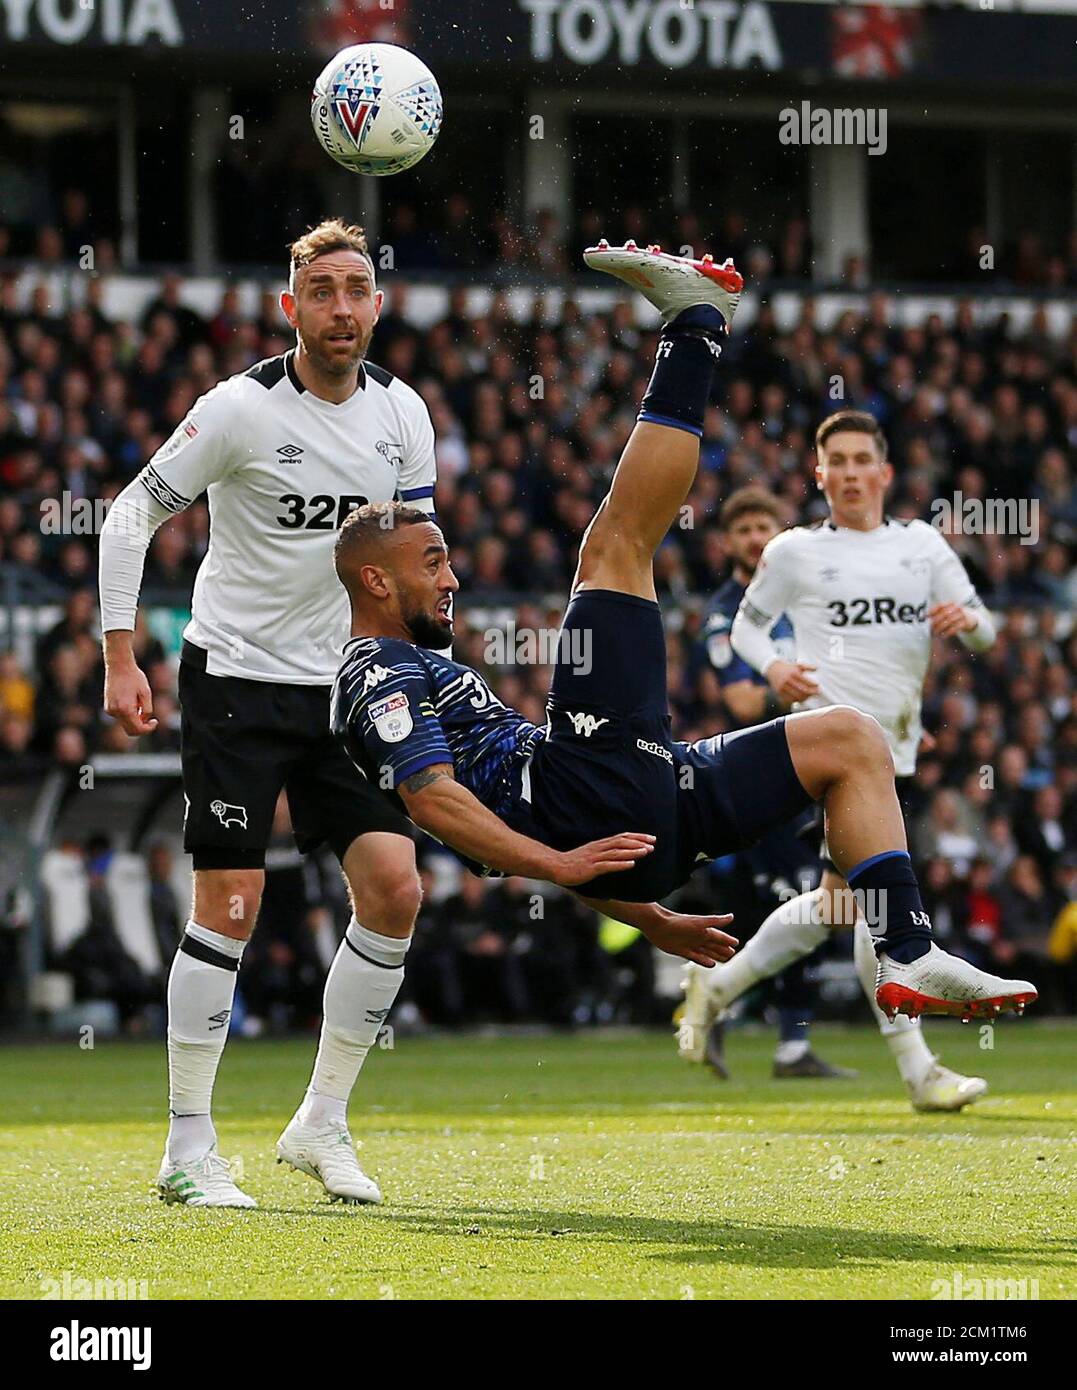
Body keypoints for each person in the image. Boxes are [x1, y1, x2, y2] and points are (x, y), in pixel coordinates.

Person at [329, 243, 1037, 1041]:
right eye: (432, 563)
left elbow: (572, 837)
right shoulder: (373, 670)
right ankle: (696, 323)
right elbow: (434, 802)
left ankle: (906, 950)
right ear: (376, 583)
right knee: (614, 548)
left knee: (851, 741)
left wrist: (648, 914)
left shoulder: (418, 660)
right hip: (586, 784)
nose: (452, 578)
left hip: (634, 821)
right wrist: (560, 868)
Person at [99, 219, 435, 1209]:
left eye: (357, 288)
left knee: (396, 889)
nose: (341, 306)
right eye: (321, 289)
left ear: (378, 303)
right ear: (291, 308)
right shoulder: (239, 410)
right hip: (237, 678)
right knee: (232, 905)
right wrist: (121, 653)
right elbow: (131, 513)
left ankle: (320, 1122)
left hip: (349, 686)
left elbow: (412, 549)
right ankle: (187, 1147)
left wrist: (421, 667)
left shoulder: (404, 414)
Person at [695, 408, 1003, 1111]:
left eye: (863, 459)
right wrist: (773, 668)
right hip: (832, 755)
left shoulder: (921, 546)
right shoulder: (796, 550)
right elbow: (744, 626)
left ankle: (716, 988)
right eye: (837, 461)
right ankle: (919, 1072)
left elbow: (983, 628)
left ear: (884, 472)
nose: (851, 472)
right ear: (819, 473)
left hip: (895, 752)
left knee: (841, 906)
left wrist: (969, 625)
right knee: (873, 910)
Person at [686, 486, 855, 1079]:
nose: (756, 539)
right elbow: (739, 701)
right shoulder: (726, 612)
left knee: (804, 909)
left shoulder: (806, 595)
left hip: (820, 777)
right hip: (763, 779)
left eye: (765, 527)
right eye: (744, 530)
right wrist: (778, 689)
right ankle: (767, 1036)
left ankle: (733, 1020)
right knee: (801, 904)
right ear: (727, 542)